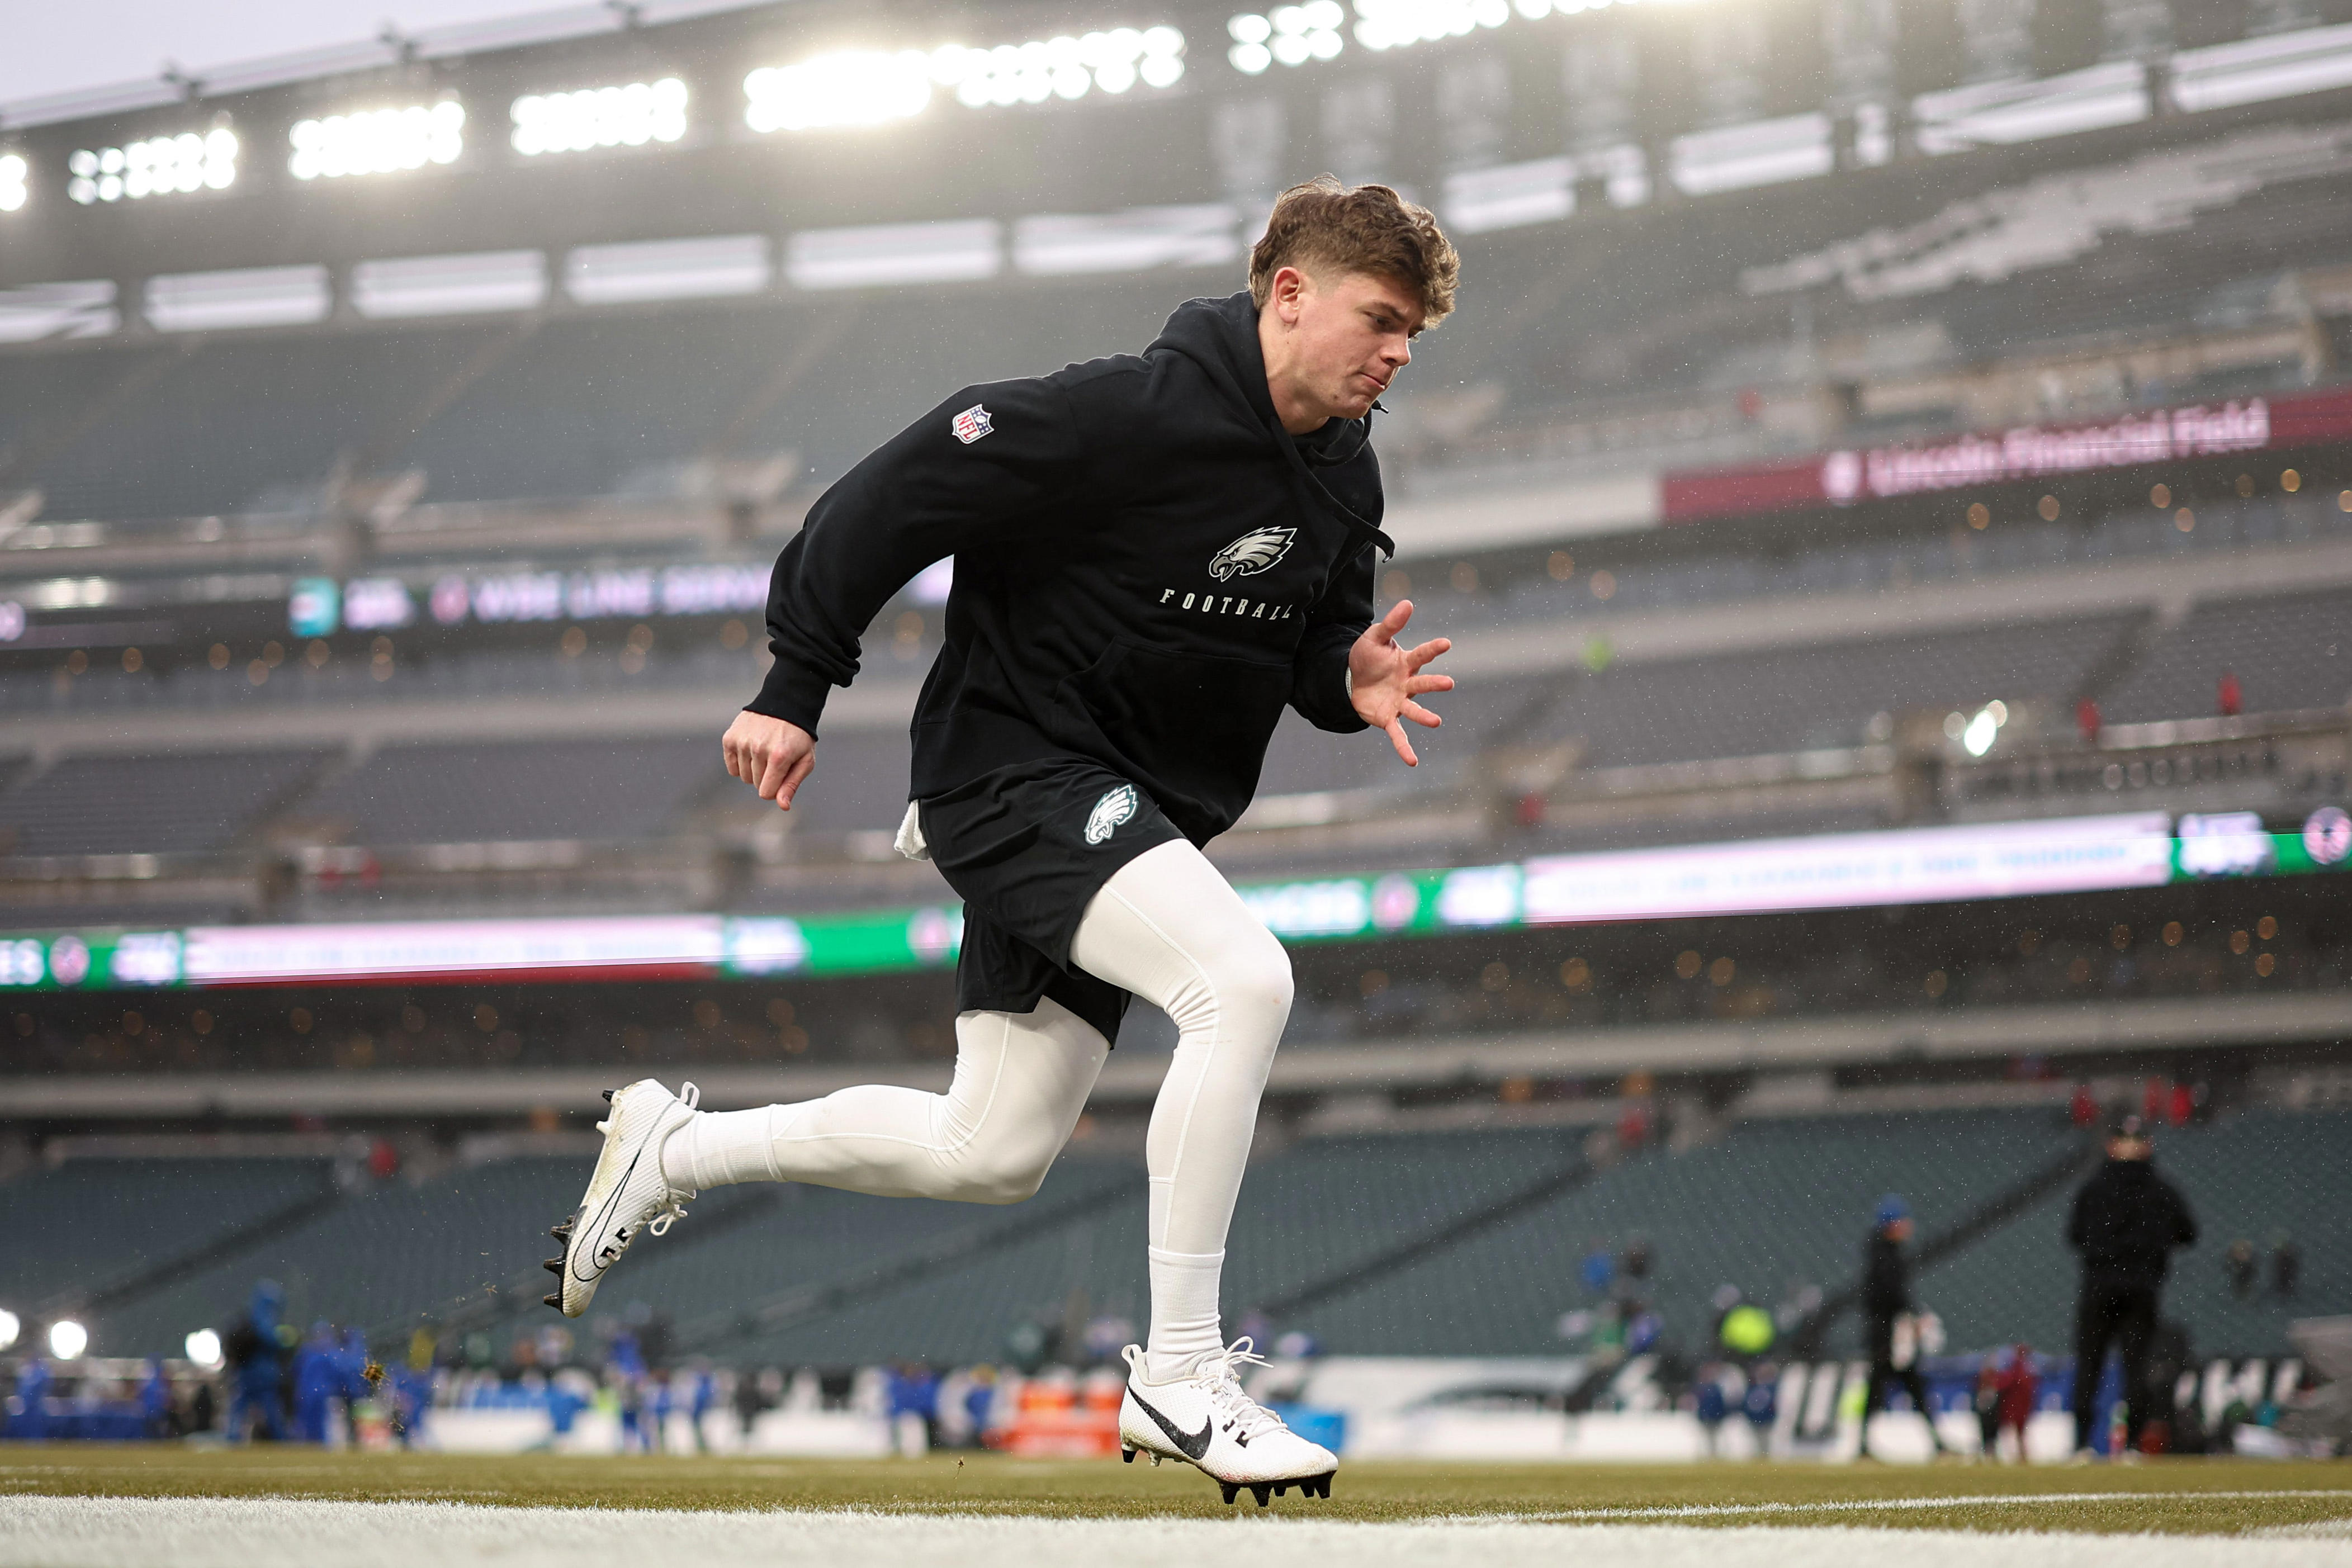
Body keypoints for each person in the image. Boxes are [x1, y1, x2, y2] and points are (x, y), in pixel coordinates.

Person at [544, 176, 1460, 1506]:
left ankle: (671, 1147)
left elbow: (1307, 630)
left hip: (1125, 816)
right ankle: (1183, 1373)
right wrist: (796, 683)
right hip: (1014, 771)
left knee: (991, 1148)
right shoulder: (1117, 413)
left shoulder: (1346, 466)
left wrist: (1345, 676)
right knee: (1243, 981)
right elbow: (891, 496)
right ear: (1290, 293)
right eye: (1382, 318)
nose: (1399, 351)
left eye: (1417, 335)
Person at [2066, 1114, 2197, 1458]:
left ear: (2111, 1146)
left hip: (2099, 1287)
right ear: (2147, 1146)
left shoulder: (2094, 1188)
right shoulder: (2162, 1189)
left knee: (2089, 1365)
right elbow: (2188, 1233)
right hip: (2142, 1290)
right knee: (2136, 1367)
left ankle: (2082, 1444)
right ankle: (2132, 1444)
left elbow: (2075, 1235)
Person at [1859, 1195, 1953, 1460]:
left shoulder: (1882, 1252)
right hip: (1887, 1335)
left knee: (1896, 1387)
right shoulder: (1885, 1254)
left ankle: (1865, 1445)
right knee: (1895, 1386)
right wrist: (1915, 1314)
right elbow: (1891, 1293)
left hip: (1887, 1333)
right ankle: (1865, 1445)